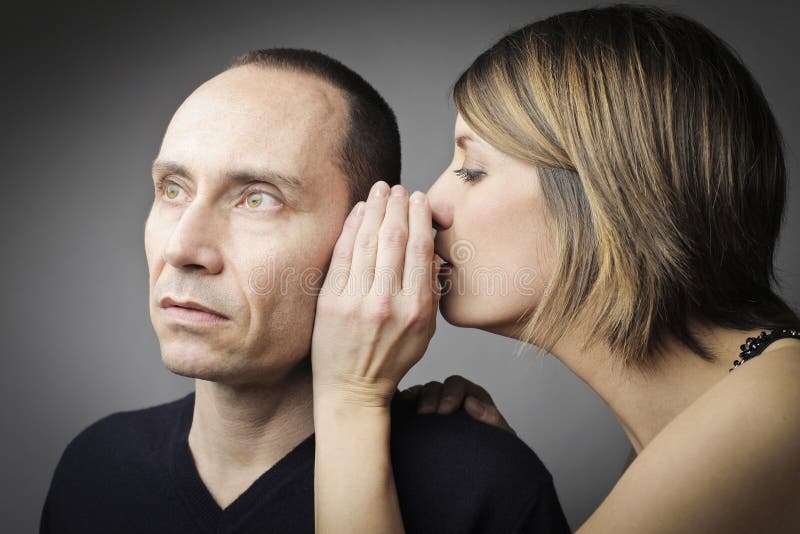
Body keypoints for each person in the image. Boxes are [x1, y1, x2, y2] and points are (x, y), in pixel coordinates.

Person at [312, 4, 800, 533]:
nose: (430, 203)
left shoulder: (775, 410)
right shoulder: (713, 421)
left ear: (610, 192)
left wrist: (349, 401)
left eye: (473, 170)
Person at [39, 48, 570, 533]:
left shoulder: (484, 488)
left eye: (257, 199)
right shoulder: (95, 466)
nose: (182, 248)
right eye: (173, 189)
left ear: (371, 237)